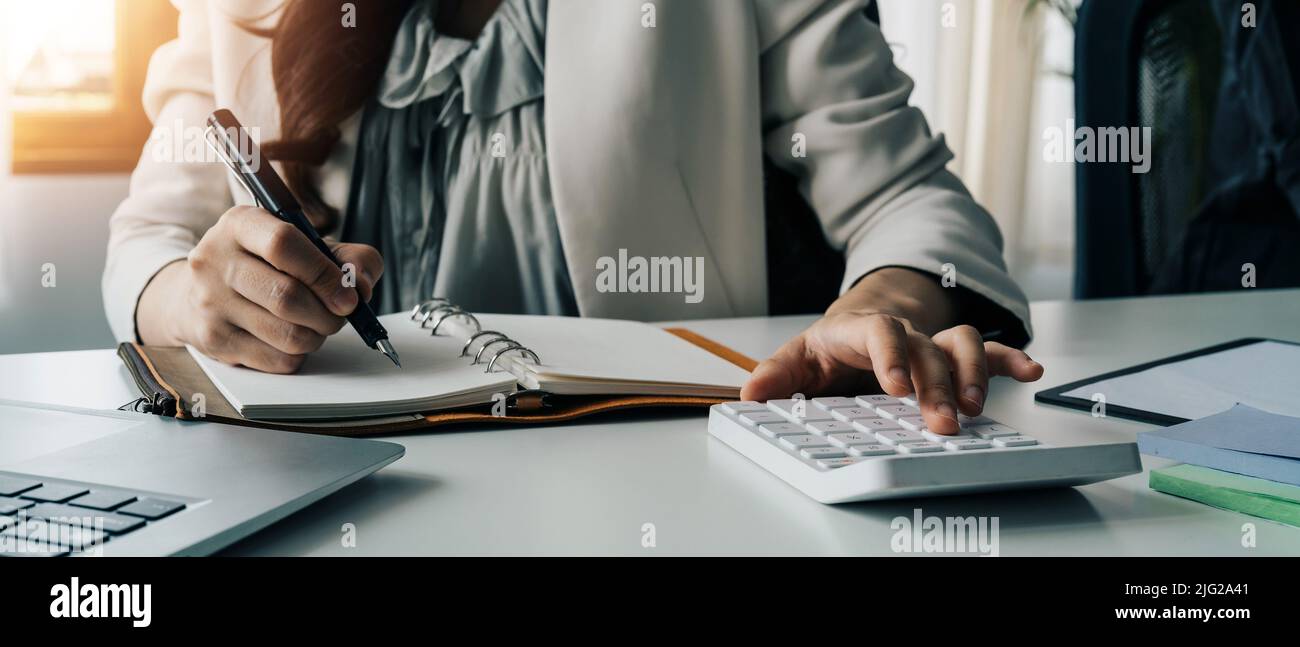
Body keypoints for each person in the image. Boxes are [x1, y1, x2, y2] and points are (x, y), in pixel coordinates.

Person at [103, 0, 1043, 436]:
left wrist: (886, 302)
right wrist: (193, 304)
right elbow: (151, 235)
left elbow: (909, 198)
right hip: (344, 471)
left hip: (663, 462)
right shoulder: (245, 11)